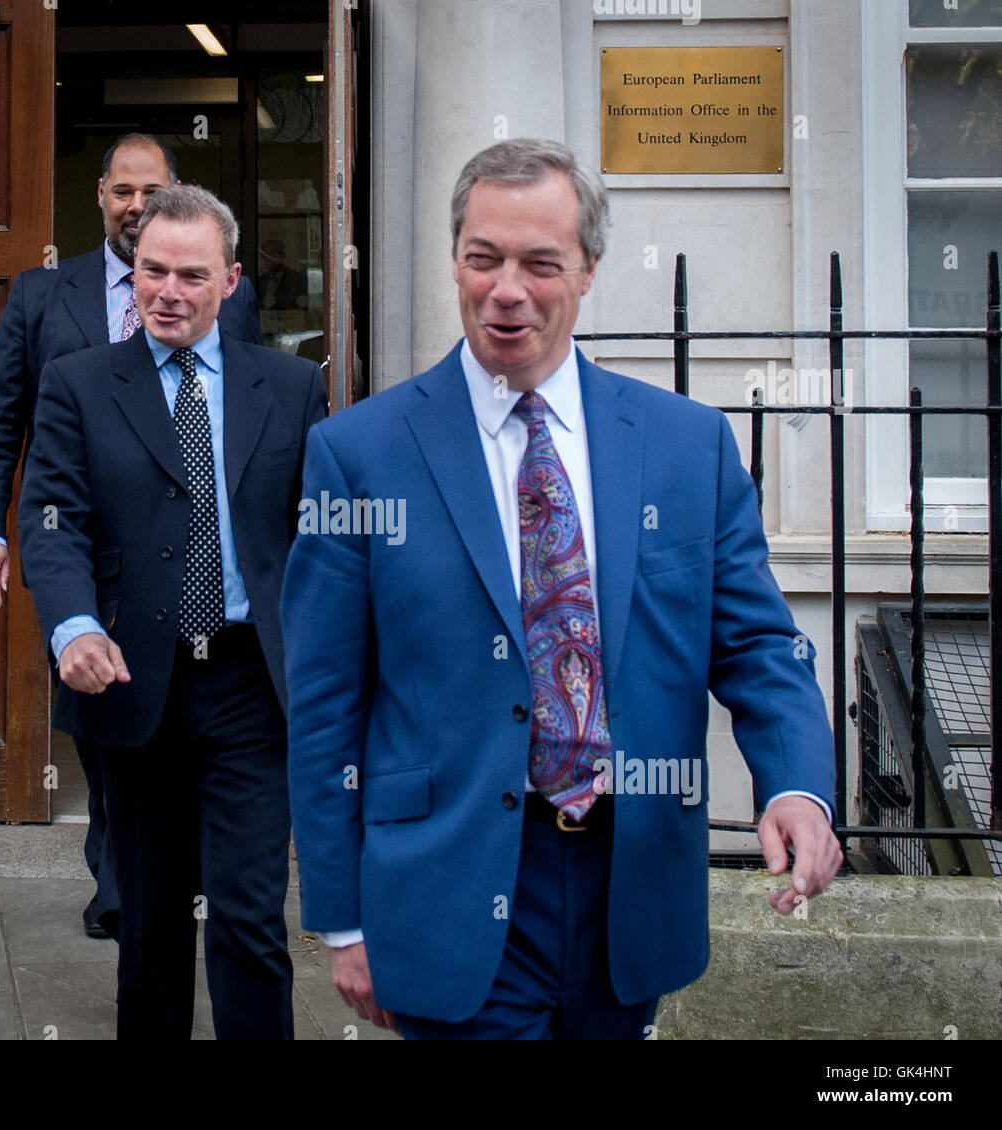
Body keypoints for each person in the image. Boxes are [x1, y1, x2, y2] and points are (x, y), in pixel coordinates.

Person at [281, 138, 843, 1040]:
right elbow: (323, 702)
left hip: (631, 892)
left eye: (540, 263)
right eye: (483, 258)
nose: (508, 289)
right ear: (456, 261)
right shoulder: (359, 455)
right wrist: (342, 919)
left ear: (587, 271)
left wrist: (798, 789)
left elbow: (757, 647)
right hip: (447, 886)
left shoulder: (686, 447)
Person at [18, 184, 326, 1039]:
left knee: (250, 923)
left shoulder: (293, 387)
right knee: (149, 931)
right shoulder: (78, 383)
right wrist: (73, 623)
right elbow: (51, 519)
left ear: (230, 281)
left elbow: (322, 542)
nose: (168, 291)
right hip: (134, 681)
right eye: (152, 270)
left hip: (250, 685)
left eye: (191, 276)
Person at [0, 134, 263, 941]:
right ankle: (124, 881)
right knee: (109, 735)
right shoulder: (39, 296)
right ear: (100, 196)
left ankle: (153, 887)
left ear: (172, 195)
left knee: (180, 740)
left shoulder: (228, 294)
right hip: (83, 553)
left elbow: (251, 422)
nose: (134, 204)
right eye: (122, 190)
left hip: (186, 555)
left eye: (149, 190)